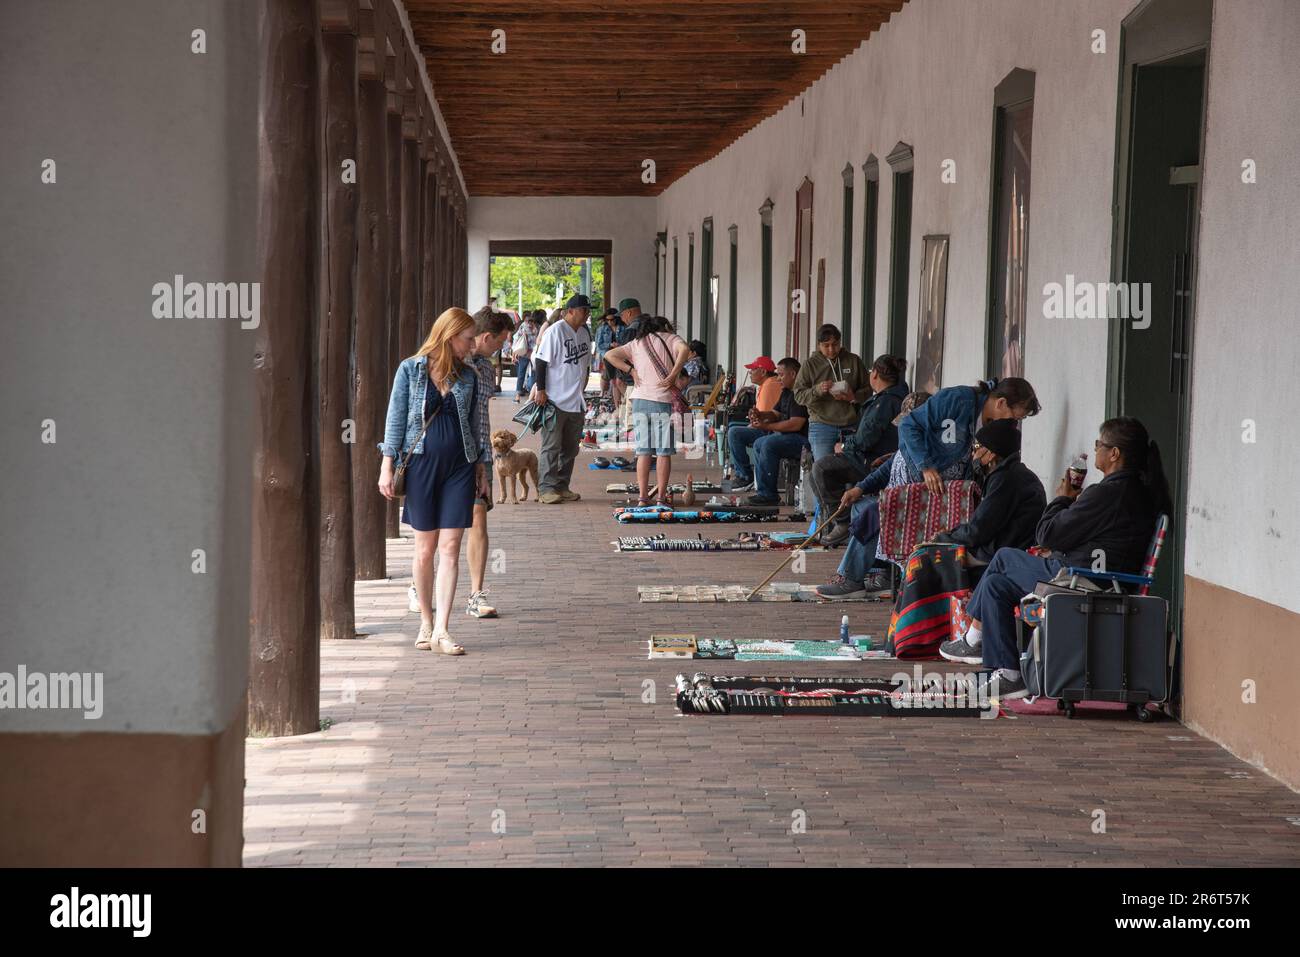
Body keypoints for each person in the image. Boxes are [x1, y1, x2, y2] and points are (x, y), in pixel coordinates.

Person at [939, 416, 1171, 698]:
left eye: (1099, 444)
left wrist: (1062, 498)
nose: (1095, 449)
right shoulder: (1135, 491)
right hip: (1100, 576)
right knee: (995, 586)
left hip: (1084, 580)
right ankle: (1009, 674)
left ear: (1115, 454)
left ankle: (973, 638)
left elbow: (1046, 534)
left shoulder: (1108, 493)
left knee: (1002, 558)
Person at [378, 307, 489, 655]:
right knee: (424, 550)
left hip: (460, 465)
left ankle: (443, 628)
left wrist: (482, 466)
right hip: (422, 465)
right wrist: (386, 464)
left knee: (451, 547)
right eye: (468, 339)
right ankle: (426, 621)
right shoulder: (410, 370)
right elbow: (395, 419)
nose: (472, 346)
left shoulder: (469, 376)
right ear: (450, 335)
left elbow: (475, 424)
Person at [810, 354, 910, 544]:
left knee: (821, 469)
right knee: (815, 475)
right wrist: (854, 402)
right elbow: (869, 425)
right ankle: (833, 522)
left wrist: (845, 446)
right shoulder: (891, 397)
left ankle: (844, 523)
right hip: (875, 457)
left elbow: (865, 439)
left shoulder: (886, 402)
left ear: (874, 375)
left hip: (873, 461)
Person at [932, 417, 1047, 568]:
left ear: (992, 454)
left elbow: (977, 531)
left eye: (977, 447)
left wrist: (944, 537)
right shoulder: (1012, 474)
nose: (974, 454)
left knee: (930, 558)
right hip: (1007, 547)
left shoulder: (1005, 479)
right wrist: (952, 533)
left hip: (1003, 554)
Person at [601, 315, 690, 505]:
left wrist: (630, 370)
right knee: (663, 452)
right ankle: (660, 498)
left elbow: (609, 355)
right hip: (661, 401)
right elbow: (685, 350)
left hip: (640, 400)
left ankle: (642, 497)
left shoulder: (637, 342)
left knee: (643, 452)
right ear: (665, 326)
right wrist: (674, 373)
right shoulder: (671, 339)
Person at [464, 308, 514, 618]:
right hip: (450, 458)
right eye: (500, 342)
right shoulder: (449, 366)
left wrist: (485, 458)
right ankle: (420, 583)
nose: (502, 349)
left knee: (479, 518)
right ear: (485, 337)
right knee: (444, 530)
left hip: (479, 457)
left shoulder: (483, 368)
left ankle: (475, 594)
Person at [533, 294, 594, 504]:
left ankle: (562, 485)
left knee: (571, 448)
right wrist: (540, 390)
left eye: (588, 310)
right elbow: (540, 362)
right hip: (554, 398)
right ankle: (546, 488)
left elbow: (585, 364)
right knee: (551, 446)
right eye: (583, 310)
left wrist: (583, 386)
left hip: (577, 400)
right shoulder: (555, 331)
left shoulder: (585, 333)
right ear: (569, 311)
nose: (587, 314)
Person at [725, 358, 810, 505]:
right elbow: (775, 414)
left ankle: (768, 494)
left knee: (768, 444)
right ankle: (761, 489)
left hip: (801, 439)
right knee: (759, 443)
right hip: (787, 436)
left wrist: (766, 427)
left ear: (793, 374)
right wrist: (760, 414)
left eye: (781, 375)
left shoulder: (800, 393)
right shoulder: (786, 392)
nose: (778, 378)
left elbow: (795, 424)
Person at [793, 324, 871, 462]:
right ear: (819, 345)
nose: (831, 349)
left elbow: (869, 388)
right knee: (824, 469)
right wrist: (817, 390)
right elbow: (799, 395)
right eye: (826, 345)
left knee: (852, 468)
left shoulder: (853, 360)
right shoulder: (810, 365)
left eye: (835, 344)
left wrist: (854, 397)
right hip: (821, 424)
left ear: (840, 342)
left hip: (851, 424)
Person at [610, 297, 646, 407]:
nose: (622, 319)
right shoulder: (652, 324)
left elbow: (624, 358)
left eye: (622, 315)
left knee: (634, 420)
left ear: (629, 313)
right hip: (652, 380)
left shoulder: (631, 330)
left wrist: (620, 379)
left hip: (634, 382)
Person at [511, 311, 541, 402]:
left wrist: (514, 352)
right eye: (528, 320)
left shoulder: (523, 326)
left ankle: (519, 393)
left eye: (531, 320)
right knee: (532, 373)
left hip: (525, 353)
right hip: (533, 353)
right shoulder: (537, 327)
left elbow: (516, 339)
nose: (529, 322)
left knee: (522, 373)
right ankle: (529, 392)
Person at [594, 308, 621, 397]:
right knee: (606, 375)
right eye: (607, 320)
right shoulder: (602, 329)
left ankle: (614, 395)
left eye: (612, 319)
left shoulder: (622, 327)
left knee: (618, 376)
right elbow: (599, 345)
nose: (609, 322)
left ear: (616, 318)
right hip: (606, 354)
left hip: (619, 354)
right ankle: (603, 393)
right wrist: (610, 344)